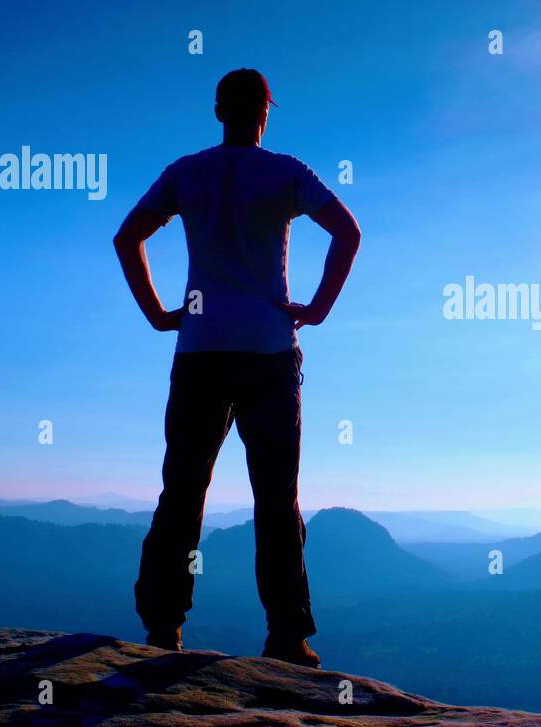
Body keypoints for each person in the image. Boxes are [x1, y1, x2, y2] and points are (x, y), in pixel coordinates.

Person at [113, 68, 360, 667]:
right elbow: (347, 233)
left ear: (219, 110)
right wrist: (318, 309)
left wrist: (159, 315)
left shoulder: (186, 172)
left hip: (200, 348)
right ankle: (287, 637)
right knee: (276, 498)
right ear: (265, 113)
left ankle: (163, 627)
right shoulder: (286, 172)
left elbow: (127, 238)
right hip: (269, 350)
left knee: (182, 490)